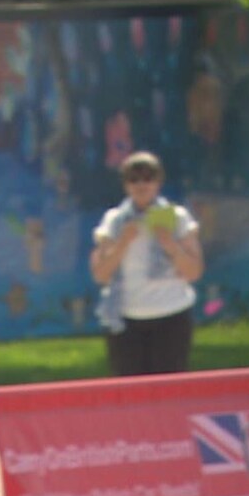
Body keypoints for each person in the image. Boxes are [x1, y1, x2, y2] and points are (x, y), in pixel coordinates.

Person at [90, 151, 204, 376]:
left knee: (170, 392)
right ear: (125, 184)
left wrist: (169, 244)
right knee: (131, 395)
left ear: (158, 182)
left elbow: (194, 271)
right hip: (126, 319)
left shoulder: (177, 217)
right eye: (134, 179)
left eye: (148, 177)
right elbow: (101, 274)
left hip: (172, 313)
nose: (141, 184)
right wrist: (123, 242)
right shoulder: (114, 220)